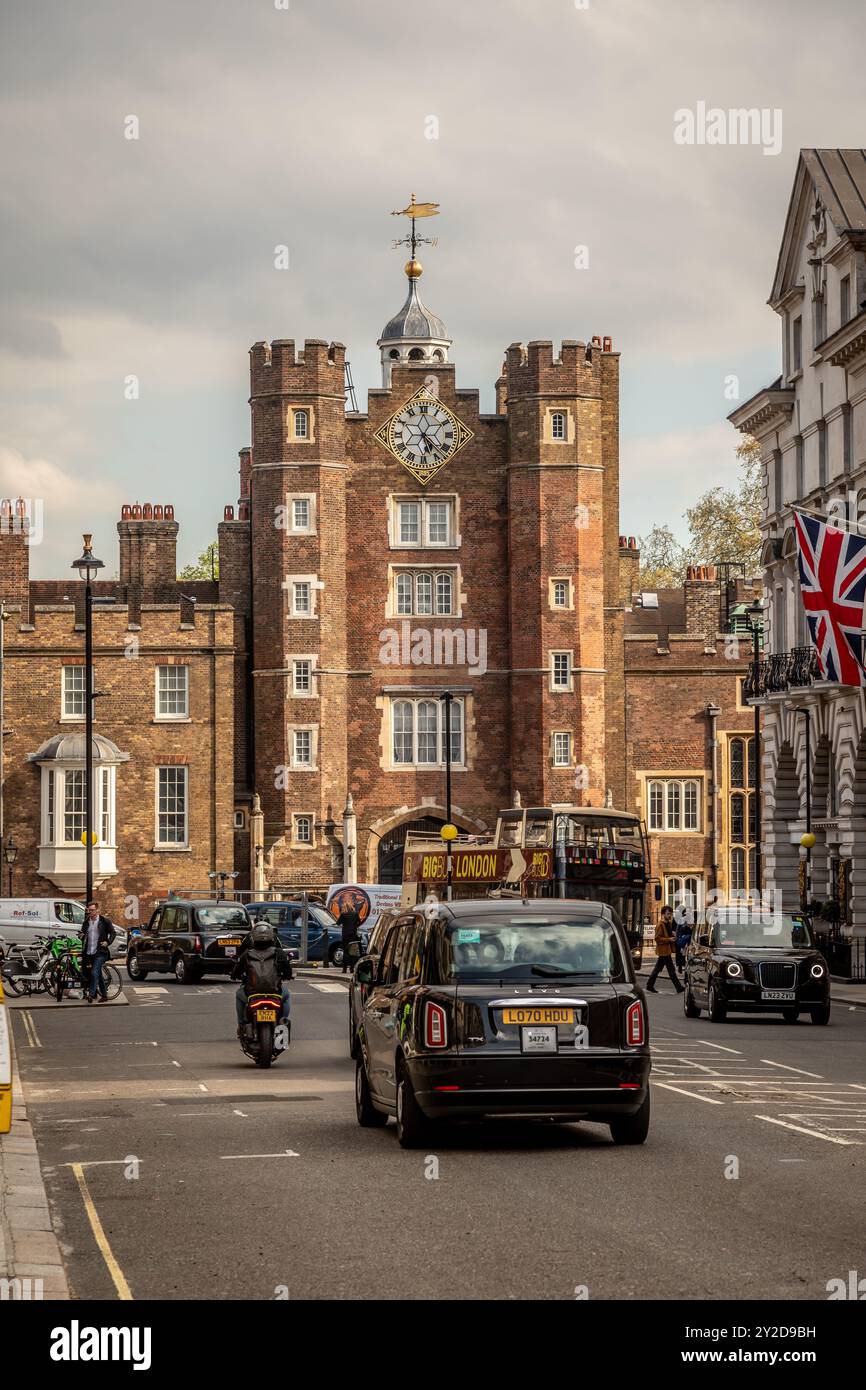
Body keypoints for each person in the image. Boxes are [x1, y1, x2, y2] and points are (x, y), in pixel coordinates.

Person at [231, 922, 292, 1036]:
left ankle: (241, 1025)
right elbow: (288, 971)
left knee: (239, 995)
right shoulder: (278, 953)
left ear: (254, 937)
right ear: (271, 936)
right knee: (287, 995)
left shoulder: (247, 954)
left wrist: (234, 975)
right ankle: (282, 1021)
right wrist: (287, 975)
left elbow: (236, 971)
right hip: (275, 992)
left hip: (252, 993)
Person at [80, 900, 117, 1004]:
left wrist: (108, 942)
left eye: (92, 910)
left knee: (94, 972)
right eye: (88, 910)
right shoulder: (86, 922)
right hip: (89, 952)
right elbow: (82, 935)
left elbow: (113, 933)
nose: (90, 912)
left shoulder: (104, 921)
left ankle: (91, 994)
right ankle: (104, 995)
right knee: (98, 975)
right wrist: (81, 936)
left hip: (101, 952)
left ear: (97, 910)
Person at [645, 905, 684, 994]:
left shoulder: (668, 924)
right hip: (663, 950)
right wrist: (669, 939)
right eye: (668, 914)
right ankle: (679, 988)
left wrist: (672, 934)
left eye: (671, 914)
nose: (670, 916)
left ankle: (649, 985)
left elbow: (668, 934)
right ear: (663, 914)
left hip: (666, 950)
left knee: (658, 969)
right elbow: (657, 938)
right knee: (671, 970)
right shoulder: (660, 925)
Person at [336, 902, 362, 974]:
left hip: (345, 936)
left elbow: (338, 923)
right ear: (352, 907)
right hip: (353, 935)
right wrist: (354, 926)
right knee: (352, 952)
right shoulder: (355, 914)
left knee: (345, 952)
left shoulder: (343, 915)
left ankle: (344, 969)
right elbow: (359, 923)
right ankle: (351, 969)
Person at [674, 904, 693, 973]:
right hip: (683, 938)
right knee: (681, 953)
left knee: (686, 953)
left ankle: (684, 966)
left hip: (688, 939)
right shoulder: (682, 919)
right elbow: (678, 929)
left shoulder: (692, 919)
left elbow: (693, 930)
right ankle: (680, 965)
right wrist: (678, 937)